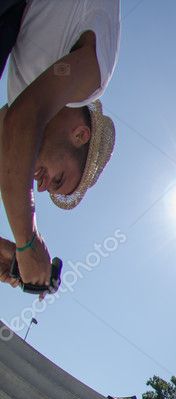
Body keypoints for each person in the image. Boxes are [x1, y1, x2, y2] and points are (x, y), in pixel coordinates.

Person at [0, 0, 119, 290]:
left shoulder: (24, 97)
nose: (41, 186)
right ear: (80, 135)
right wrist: (28, 241)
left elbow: (11, 145)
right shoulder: (94, 76)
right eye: (58, 179)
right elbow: (21, 123)